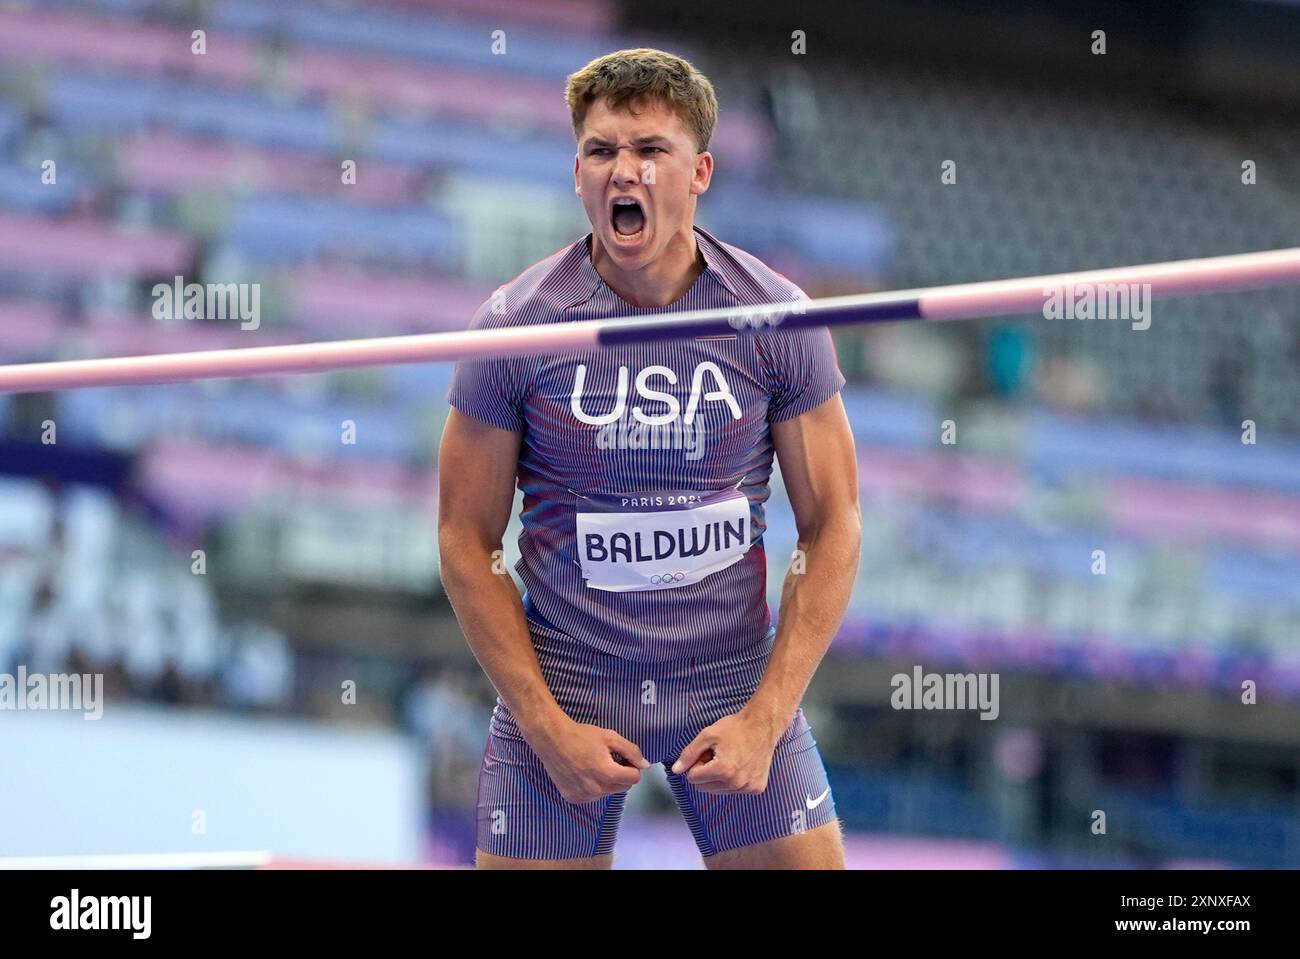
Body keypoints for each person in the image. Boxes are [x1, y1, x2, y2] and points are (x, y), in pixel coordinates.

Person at [438, 48, 861, 869]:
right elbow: (462, 537)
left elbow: (835, 523)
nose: (622, 170)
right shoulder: (514, 328)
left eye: (649, 151)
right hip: (564, 682)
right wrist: (547, 728)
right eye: (601, 151)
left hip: (730, 682)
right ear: (577, 173)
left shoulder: (774, 318)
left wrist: (767, 717)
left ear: (699, 171)